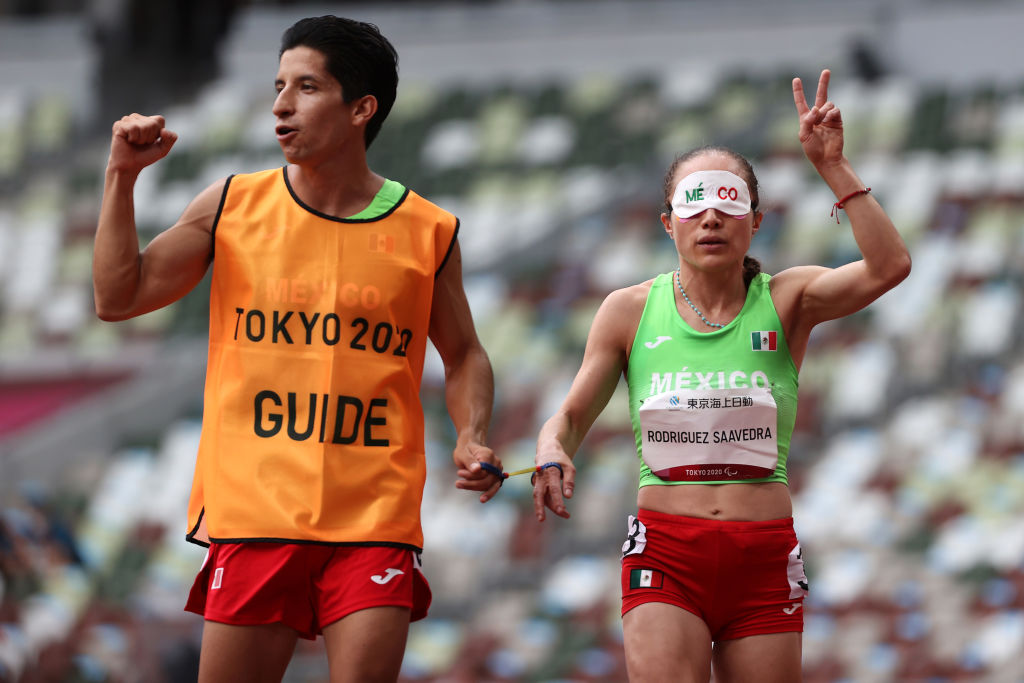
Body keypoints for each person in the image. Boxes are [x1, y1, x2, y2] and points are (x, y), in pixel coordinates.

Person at [92, 15, 501, 683]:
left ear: (360, 109)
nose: (280, 104)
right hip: (255, 513)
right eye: (278, 85)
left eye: (306, 87)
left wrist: (473, 433)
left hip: (373, 515)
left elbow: (465, 355)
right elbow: (118, 296)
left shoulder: (428, 230)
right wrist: (121, 177)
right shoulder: (231, 204)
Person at [531, 69, 911, 682]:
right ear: (668, 223)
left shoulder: (789, 299)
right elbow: (572, 415)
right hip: (667, 553)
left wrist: (832, 168)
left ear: (755, 221)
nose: (711, 217)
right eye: (694, 203)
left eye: (728, 201)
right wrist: (552, 448)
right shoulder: (627, 311)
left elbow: (890, 265)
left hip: (761, 557)